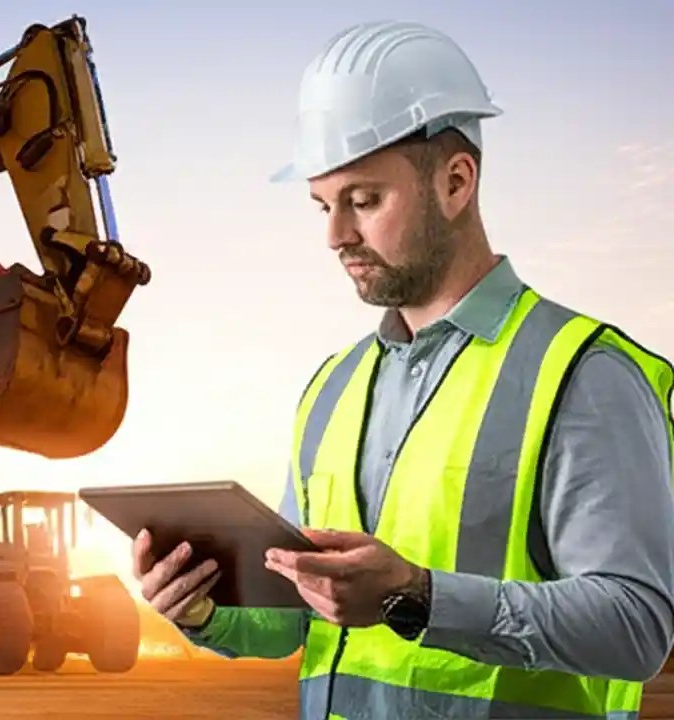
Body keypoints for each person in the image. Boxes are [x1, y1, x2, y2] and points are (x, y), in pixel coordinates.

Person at [132, 19, 674, 720]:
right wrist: (205, 609)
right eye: (324, 205)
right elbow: (297, 618)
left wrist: (418, 596)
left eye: (363, 200)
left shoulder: (584, 374)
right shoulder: (333, 387)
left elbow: (636, 628)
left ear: (455, 183)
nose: (335, 236)